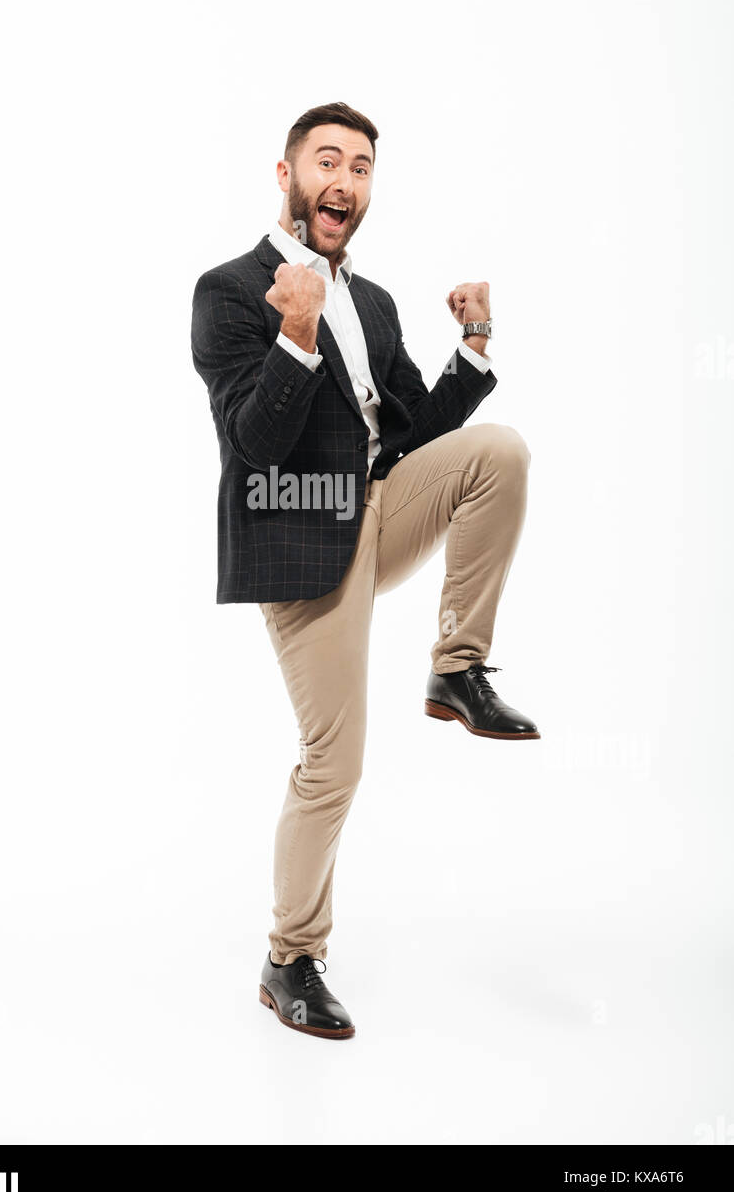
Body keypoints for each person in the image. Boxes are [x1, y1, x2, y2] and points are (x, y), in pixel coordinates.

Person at [191, 102, 538, 1041]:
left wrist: (471, 348)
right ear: (287, 175)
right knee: (333, 763)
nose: (344, 181)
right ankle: (290, 957)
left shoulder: (374, 301)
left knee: (496, 452)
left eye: (361, 168)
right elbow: (253, 445)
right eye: (327, 161)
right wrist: (295, 337)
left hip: (379, 511)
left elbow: (421, 435)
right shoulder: (228, 290)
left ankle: (456, 668)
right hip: (298, 537)